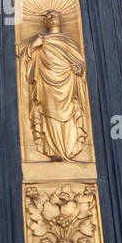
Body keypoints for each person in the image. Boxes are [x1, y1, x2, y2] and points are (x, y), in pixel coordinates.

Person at [17, 10, 88, 161]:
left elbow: (80, 63)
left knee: (69, 116)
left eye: (55, 15)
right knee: (49, 114)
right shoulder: (39, 38)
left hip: (67, 85)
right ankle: (55, 149)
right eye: (49, 15)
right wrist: (33, 46)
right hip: (46, 84)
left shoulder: (68, 40)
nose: (52, 17)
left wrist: (78, 69)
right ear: (45, 22)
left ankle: (68, 149)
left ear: (61, 20)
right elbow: (20, 52)